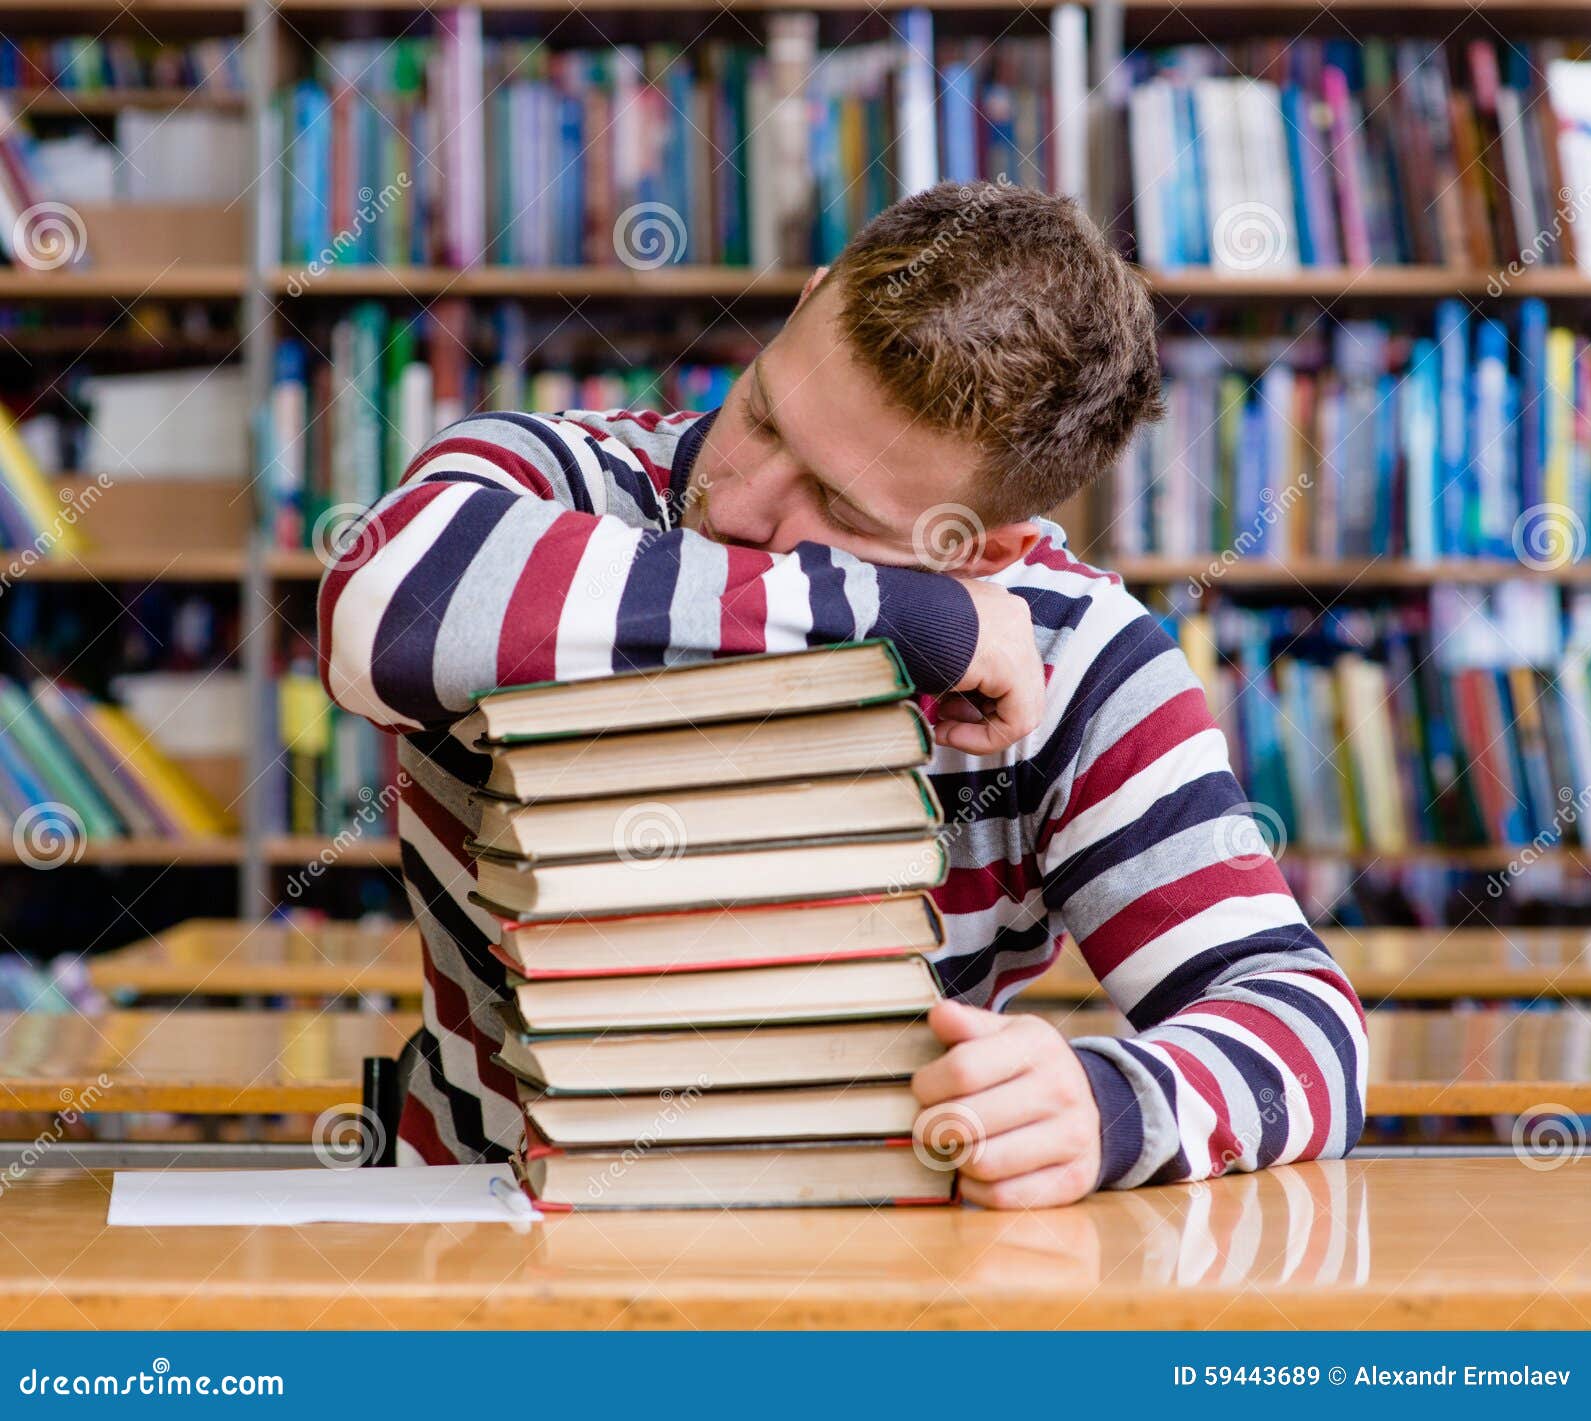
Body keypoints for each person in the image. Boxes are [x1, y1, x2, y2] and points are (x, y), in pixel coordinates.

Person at [318, 181, 1367, 1206]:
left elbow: (1305, 1026)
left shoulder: (1077, 658)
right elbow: (381, 606)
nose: (736, 503)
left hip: (875, 1261)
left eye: (837, 505)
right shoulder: (555, 486)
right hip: (478, 1223)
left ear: (985, 548)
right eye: (766, 416)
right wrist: (916, 617)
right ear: (806, 299)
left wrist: (1107, 1105)